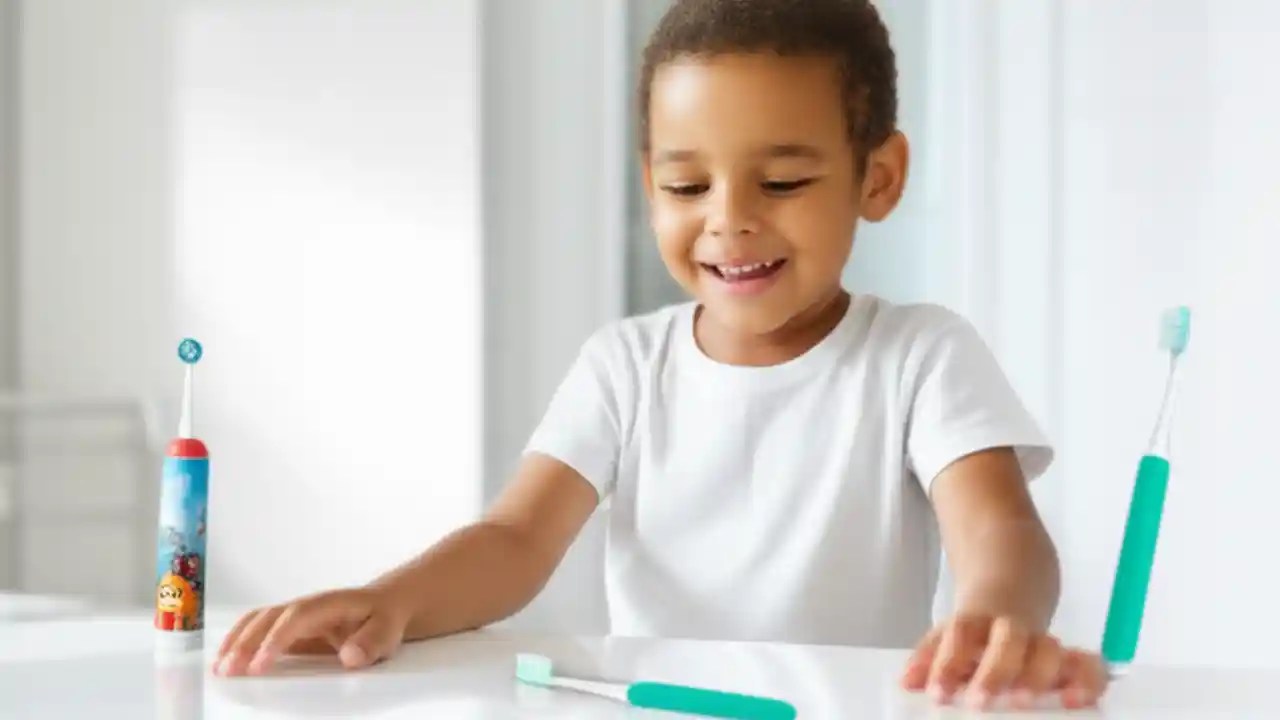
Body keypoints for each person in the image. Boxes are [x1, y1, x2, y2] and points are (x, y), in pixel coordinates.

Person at [213, 0, 1109, 710]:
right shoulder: (624, 365)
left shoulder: (920, 356)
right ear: (652, 184)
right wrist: (393, 601)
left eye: (784, 181)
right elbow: (518, 539)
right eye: (688, 185)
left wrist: (996, 617)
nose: (729, 218)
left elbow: (1000, 529)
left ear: (877, 178)